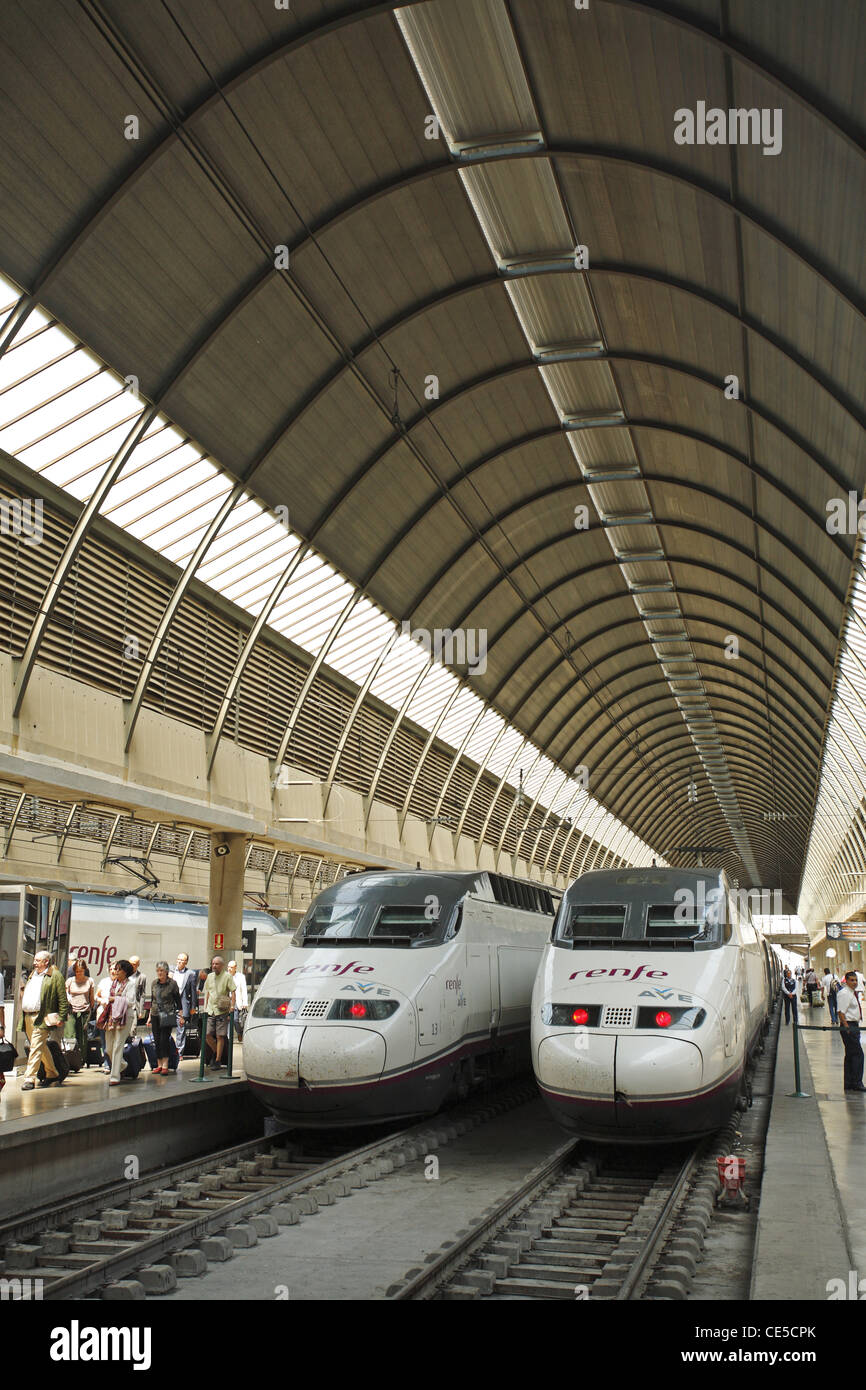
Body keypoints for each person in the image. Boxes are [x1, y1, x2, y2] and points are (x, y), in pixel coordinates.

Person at [18, 951, 69, 1090]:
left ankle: (29, 1078)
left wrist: (62, 1017)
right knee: (41, 1046)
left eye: (38, 960)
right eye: (34, 960)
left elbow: (62, 998)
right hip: (28, 1016)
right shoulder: (32, 974)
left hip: (42, 1017)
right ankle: (52, 1073)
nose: (34, 962)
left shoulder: (55, 975)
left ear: (46, 962)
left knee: (35, 1046)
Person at [97, 959, 138, 1086]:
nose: (115, 971)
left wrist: (114, 999)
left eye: (119, 969)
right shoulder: (113, 983)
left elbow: (130, 1001)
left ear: (125, 972)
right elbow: (102, 996)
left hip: (125, 1017)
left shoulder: (131, 984)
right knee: (108, 1048)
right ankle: (123, 1065)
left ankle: (114, 1077)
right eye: (115, 969)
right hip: (111, 1017)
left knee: (118, 1046)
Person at [148, 961, 181, 1075]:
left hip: (167, 1014)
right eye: (158, 970)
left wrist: (181, 1016)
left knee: (164, 1040)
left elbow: (178, 1001)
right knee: (156, 1040)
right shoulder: (154, 983)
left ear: (166, 972)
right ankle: (159, 1064)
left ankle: (165, 1065)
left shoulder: (172, 984)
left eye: (161, 970)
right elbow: (153, 1000)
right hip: (155, 1014)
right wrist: (149, 1016)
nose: (159, 973)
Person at [203, 956, 235, 1071]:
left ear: (221, 965)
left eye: (216, 964)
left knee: (220, 1035)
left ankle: (217, 1060)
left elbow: (233, 991)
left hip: (222, 1010)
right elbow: (208, 993)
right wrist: (205, 1007)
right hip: (211, 1009)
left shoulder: (227, 976)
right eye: (213, 964)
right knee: (207, 1034)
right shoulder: (210, 976)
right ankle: (217, 1051)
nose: (214, 966)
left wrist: (232, 1006)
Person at [837, 971, 865, 1094]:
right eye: (852, 980)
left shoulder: (851, 993)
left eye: (855, 980)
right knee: (858, 1054)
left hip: (853, 1026)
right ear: (846, 981)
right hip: (849, 1026)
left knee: (850, 1055)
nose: (854, 982)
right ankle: (857, 1083)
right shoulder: (845, 994)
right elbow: (841, 1012)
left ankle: (848, 1083)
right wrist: (847, 1027)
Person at [65, 959, 95, 1062]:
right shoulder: (70, 981)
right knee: (70, 1034)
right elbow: (65, 993)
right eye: (77, 971)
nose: (79, 973)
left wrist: (91, 1009)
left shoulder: (90, 981)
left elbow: (91, 997)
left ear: (85, 970)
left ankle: (81, 1059)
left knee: (83, 1036)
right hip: (71, 1011)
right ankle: (69, 1057)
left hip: (85, 1011)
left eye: (81, 971)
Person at [171, 952, 198, 1057]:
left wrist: (193, 1007)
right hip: (171, 1004)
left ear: (186, 962)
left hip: (183, 1004)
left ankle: (179, 1052)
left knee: (181, 1029)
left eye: (182, 960)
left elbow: (193, 992)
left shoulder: (190, 974)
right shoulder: (171, 971)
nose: (180, 961)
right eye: (178, 959)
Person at [94, 966, 117, 1072]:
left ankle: (116, 1064)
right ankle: (107, 1064)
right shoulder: (104, 982)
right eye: (111, 969)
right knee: (104, 1041)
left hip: (116, 1015)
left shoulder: (121, 983)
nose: (113, 971)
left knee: (115, 1041)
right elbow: (96, 996)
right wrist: (100, 1000)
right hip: (104, 1014)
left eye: (115, 969)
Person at [227, 961, 248, 1038]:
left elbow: (244, 990)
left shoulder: (241, 976)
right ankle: (228, 1038)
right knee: (227, 1021)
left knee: (235, 1020)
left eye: (231, 967)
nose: (229, 969)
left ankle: (239, 1032)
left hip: (236, 1001)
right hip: (226, 1001)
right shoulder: (225, 976)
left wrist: (245, 1003)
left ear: (235, 968)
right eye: (228, 967)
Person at [128, 956, 148, 1027]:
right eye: (130, 963)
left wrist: (141, 1010)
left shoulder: (141, 977)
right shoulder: (124, 975)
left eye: (133, 964)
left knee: (133, 1029)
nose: (131, 966)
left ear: (138, 965)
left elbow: (142, 994)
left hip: (134, 1007)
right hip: (123, 1007)